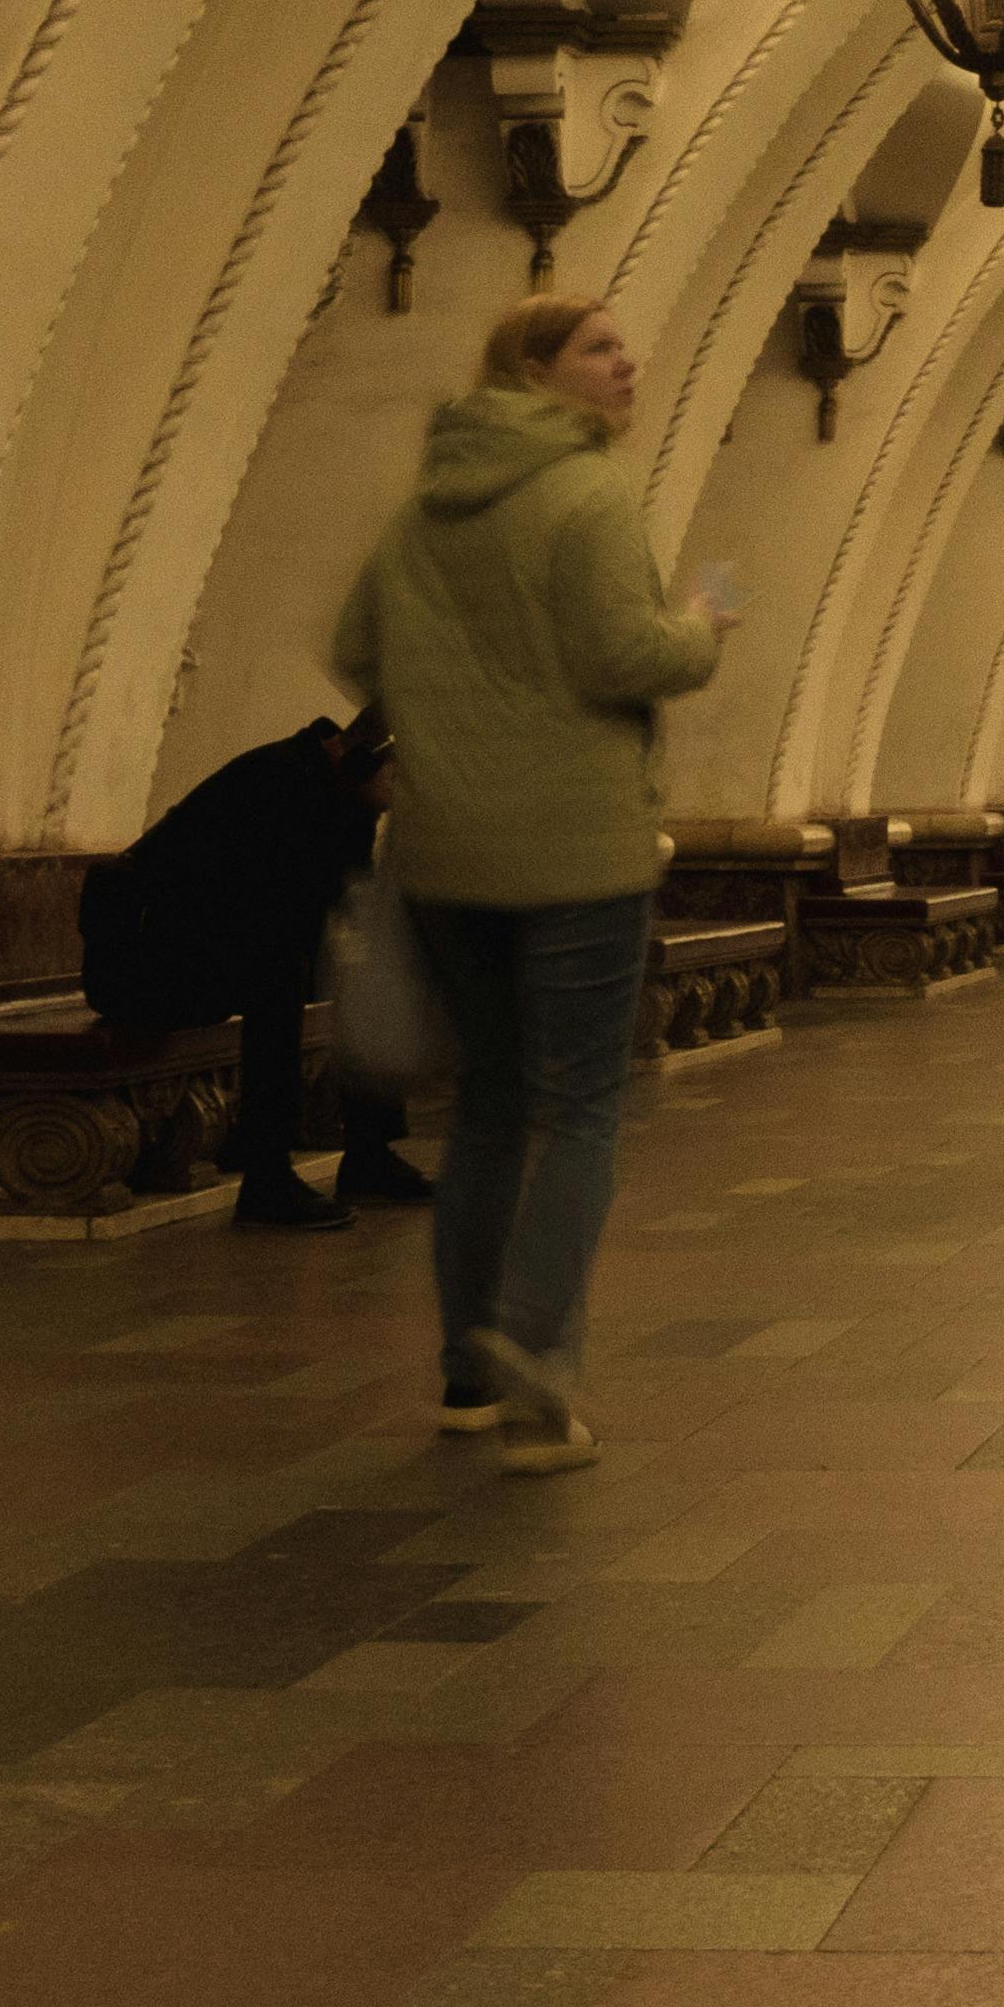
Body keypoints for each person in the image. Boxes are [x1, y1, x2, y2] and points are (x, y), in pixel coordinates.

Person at [335, 292, 732, 1470]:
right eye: (602, 347)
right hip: (574, 850)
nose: (629, 362)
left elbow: (360, 650)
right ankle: (535, 1364)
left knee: (491, 1112)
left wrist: (456, 704)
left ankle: (464, 1371)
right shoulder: (587, 493)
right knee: (582, 1109)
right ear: (536, 368)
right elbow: (624, 653)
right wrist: (702, 625)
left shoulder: (421, 512)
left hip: (447, 852)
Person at [91, 708, 441, 1235]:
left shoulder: (340, 796)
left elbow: (346, 909)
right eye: (399, 777)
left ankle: (368, 1155)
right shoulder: (279, 783)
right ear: (362, 761)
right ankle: (266, 1180)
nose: (402, 796)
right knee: (278, 976)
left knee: (360, 971)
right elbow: (267, 916)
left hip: (204, 950)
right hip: (138, 963)